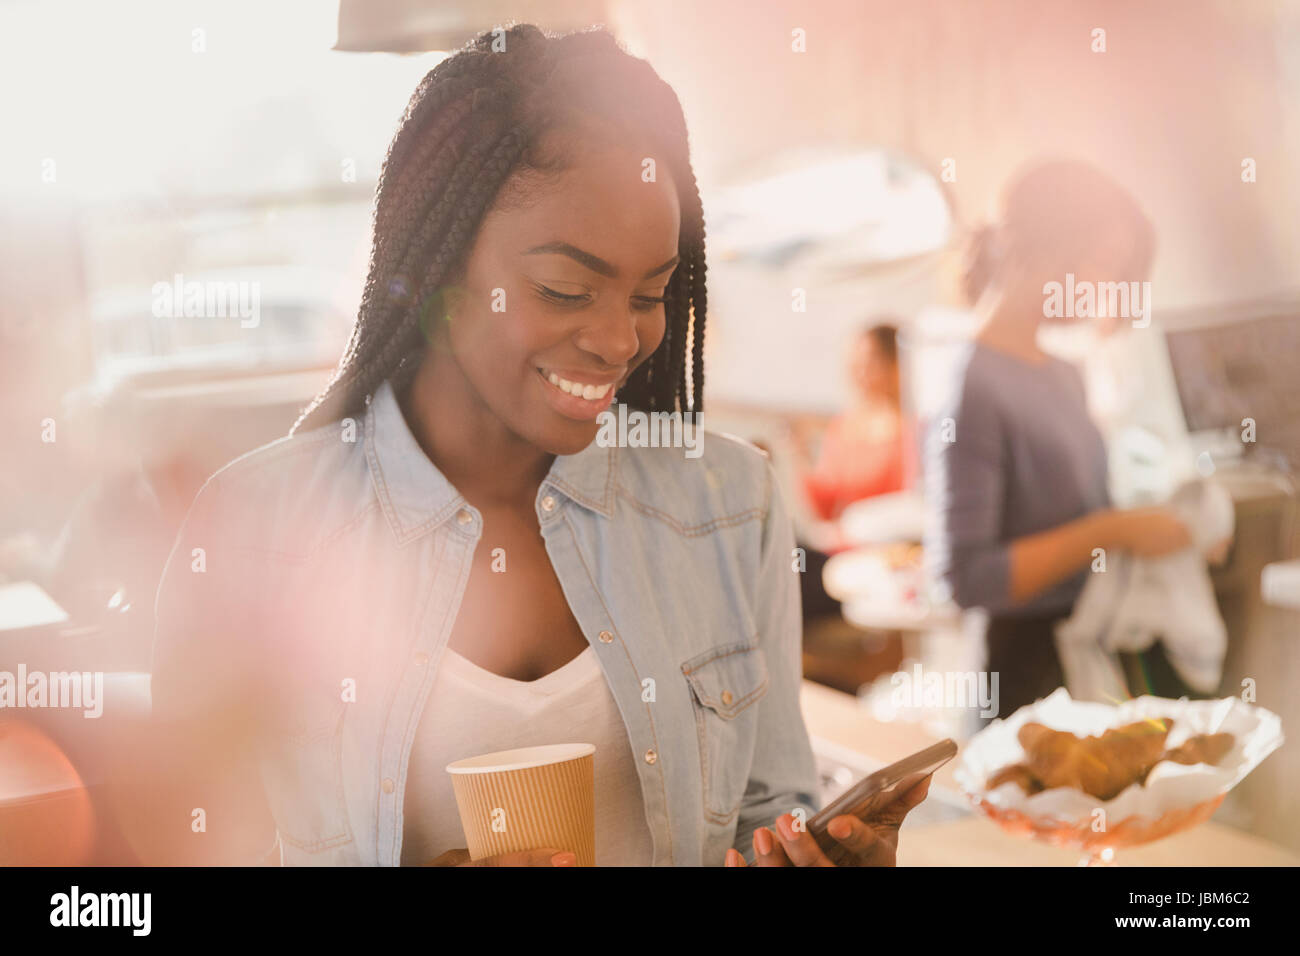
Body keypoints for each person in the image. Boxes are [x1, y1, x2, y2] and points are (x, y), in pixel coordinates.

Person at [149, 25, 931, 868]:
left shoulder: (732, 504)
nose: (619, 340)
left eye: (651, 293)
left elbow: (770, 805)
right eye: (565, 288)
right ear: (441, 271)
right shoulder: (250, 532)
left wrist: (812, 854)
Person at [923, 159, 1192, 721]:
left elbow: (1083, 509)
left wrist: (1172, 528)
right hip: (1021, 680)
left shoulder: (1062, 372)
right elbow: (965, 577)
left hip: (1086, 656)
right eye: (1105, 265)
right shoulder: (973, 382)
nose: (1107, 289)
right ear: (1047, 247)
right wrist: (1114, 530)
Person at [787, 321, 911, 619]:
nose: (859, 373)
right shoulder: (844, 426)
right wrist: (800, 459)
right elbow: (826, 510)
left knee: (796, 581)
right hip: (838, 549)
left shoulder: (912, 430)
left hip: (881, 553)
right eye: (854, 364)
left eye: (869, 363)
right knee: (780, 551)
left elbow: (909, 512)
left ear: (896, 365)